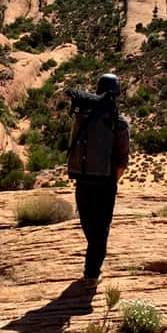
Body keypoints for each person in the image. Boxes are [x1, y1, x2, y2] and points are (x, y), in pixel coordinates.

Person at [71, 73, 130, 283]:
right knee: (101, 228)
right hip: (105, 183)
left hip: (82, 180)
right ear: (117, 93)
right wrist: (112, 181)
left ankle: (92, 267)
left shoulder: (82, 115)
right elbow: (122, 161)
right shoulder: (119, 122)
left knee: (88, 225)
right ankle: (91, 273)